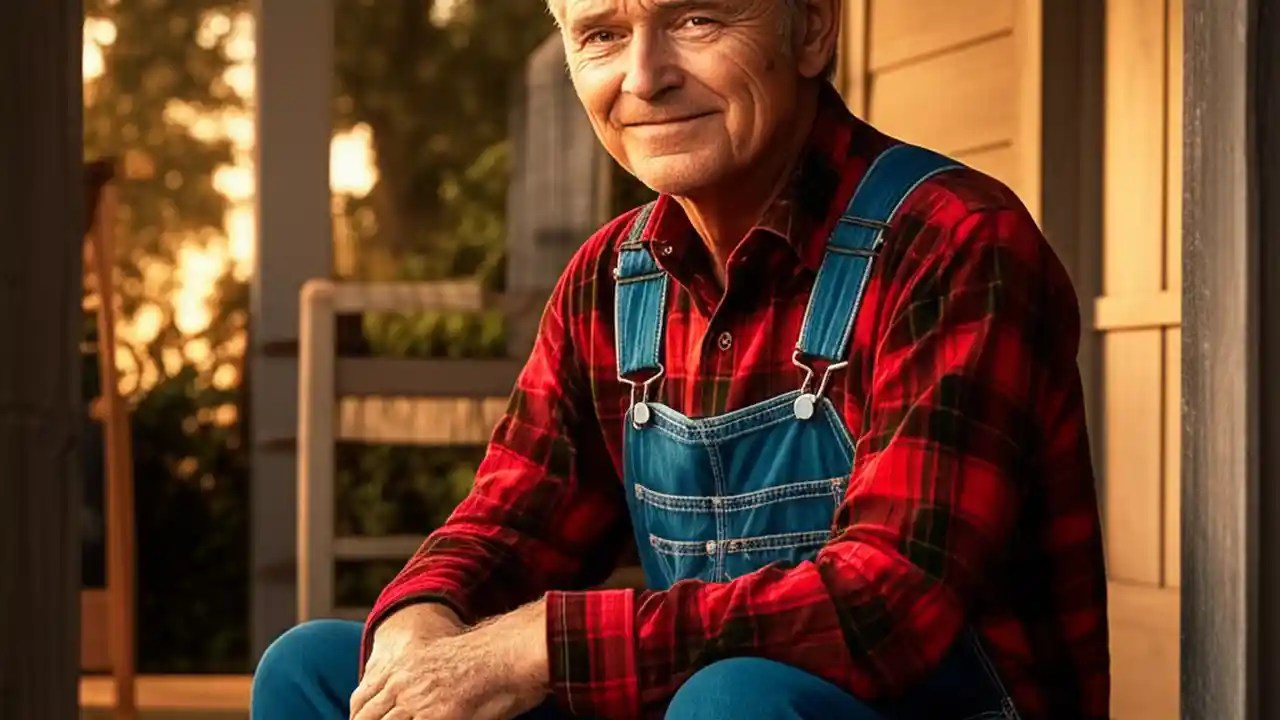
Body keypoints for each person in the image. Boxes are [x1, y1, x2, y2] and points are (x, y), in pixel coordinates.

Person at [251, 0, 1110, 718]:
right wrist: (422, 616)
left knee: (733, 703)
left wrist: (537, 643)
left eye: (695, 18)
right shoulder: (609, 280)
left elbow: (885, 605)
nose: (643, 77)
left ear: (811, 27)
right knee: (316, 669)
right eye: (601, 35)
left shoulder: (953, 241)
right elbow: (510, 521)